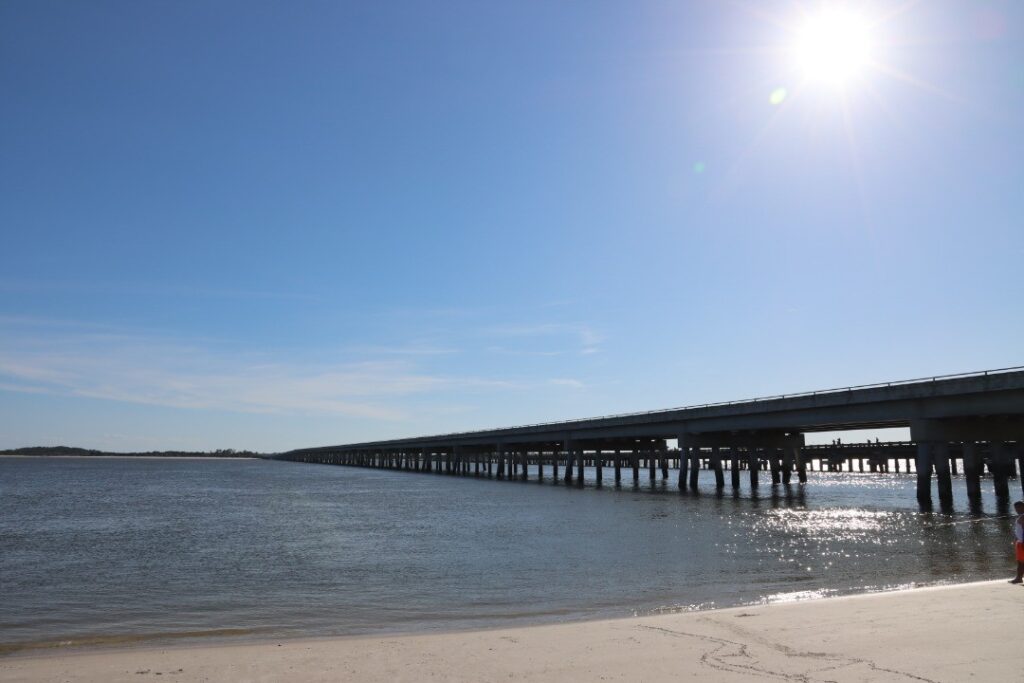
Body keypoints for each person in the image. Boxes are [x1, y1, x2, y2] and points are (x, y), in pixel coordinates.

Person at [1011, 501, 1024, 584]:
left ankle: (1018, 578)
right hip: (1019, 542)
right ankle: (1019, 578)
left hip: (1022, 542)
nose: (1017, 509)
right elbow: (1019, 530)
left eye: (1019, 507)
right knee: (1020, 561)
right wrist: (1016, 539)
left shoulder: (1023, 517)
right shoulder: (1021, 516)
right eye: (1016, 508)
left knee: (1020, 562)